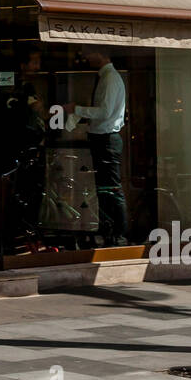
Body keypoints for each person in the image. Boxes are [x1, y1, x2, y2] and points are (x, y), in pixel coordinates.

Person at [73, 48, 128, 247]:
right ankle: (110, 232)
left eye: (90, 52)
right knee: (105, 189)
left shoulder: (110, 78)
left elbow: (105, 112)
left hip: (106, 139)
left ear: (103, 54)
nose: (86, 56)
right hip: (102, 138)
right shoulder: (106, 77)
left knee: (112, 188)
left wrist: (76, 109)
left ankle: (119, 235)